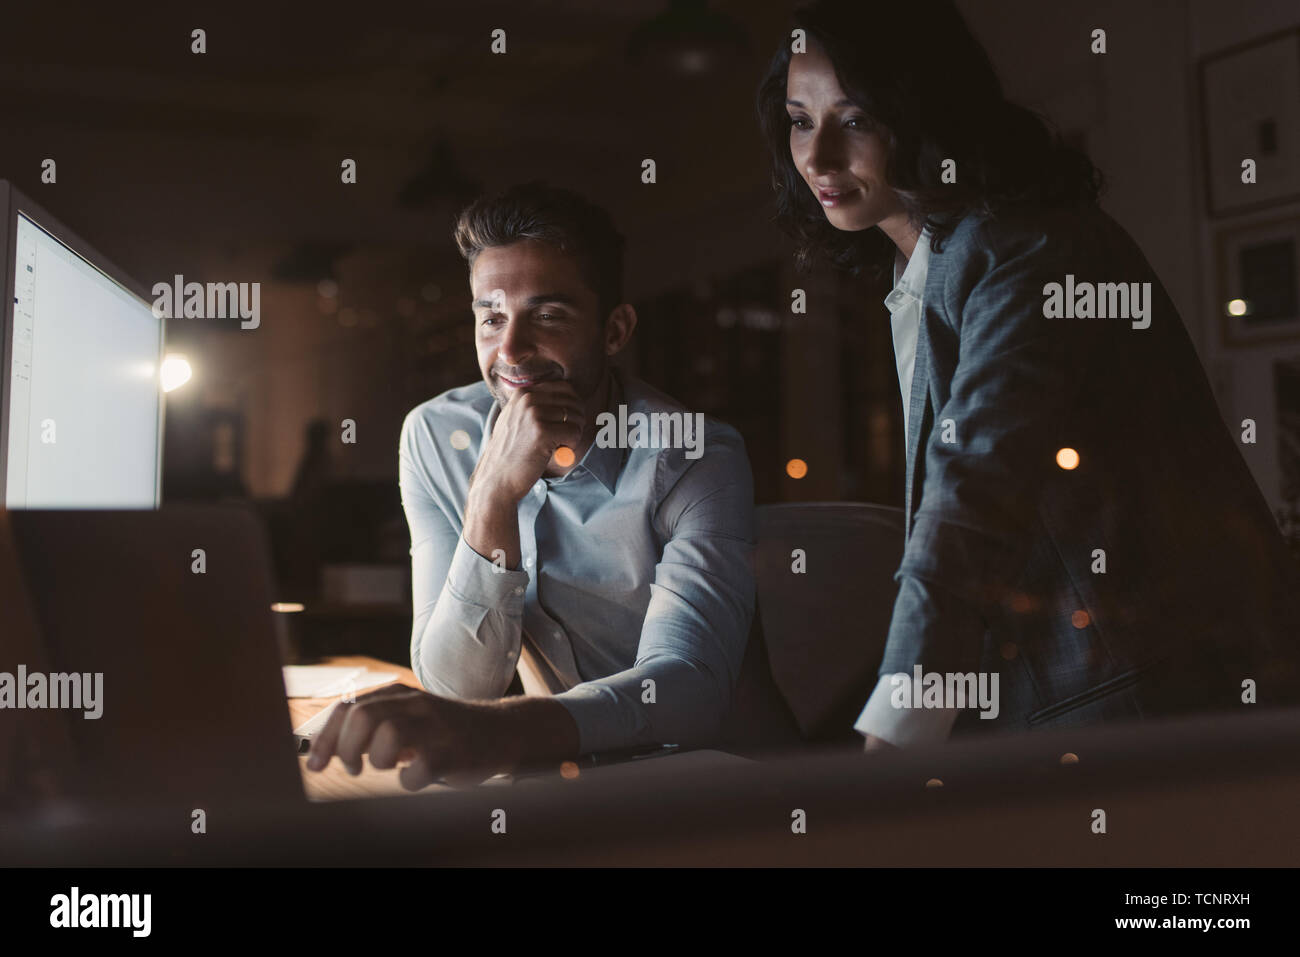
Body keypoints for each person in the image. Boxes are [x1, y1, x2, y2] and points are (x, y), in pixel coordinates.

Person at [755, 0, 1300, 749]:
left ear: (922, 112)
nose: (815, 157)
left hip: (1150, 698)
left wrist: (897, 730)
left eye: (854, 120)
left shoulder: (1023, 246)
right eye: (798, 119)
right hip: (1069, 701)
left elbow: (973, 484)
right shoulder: (925, 263)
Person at [307, 182, 755, 787]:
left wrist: (503, 732)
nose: (510, 349)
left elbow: (688, 688)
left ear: (616, 331)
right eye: (491, 318)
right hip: (559, 783)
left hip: (714, 788)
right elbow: (453, 685)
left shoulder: (697, 455)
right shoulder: (435, 436)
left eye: (548, 316)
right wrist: (492, 492)